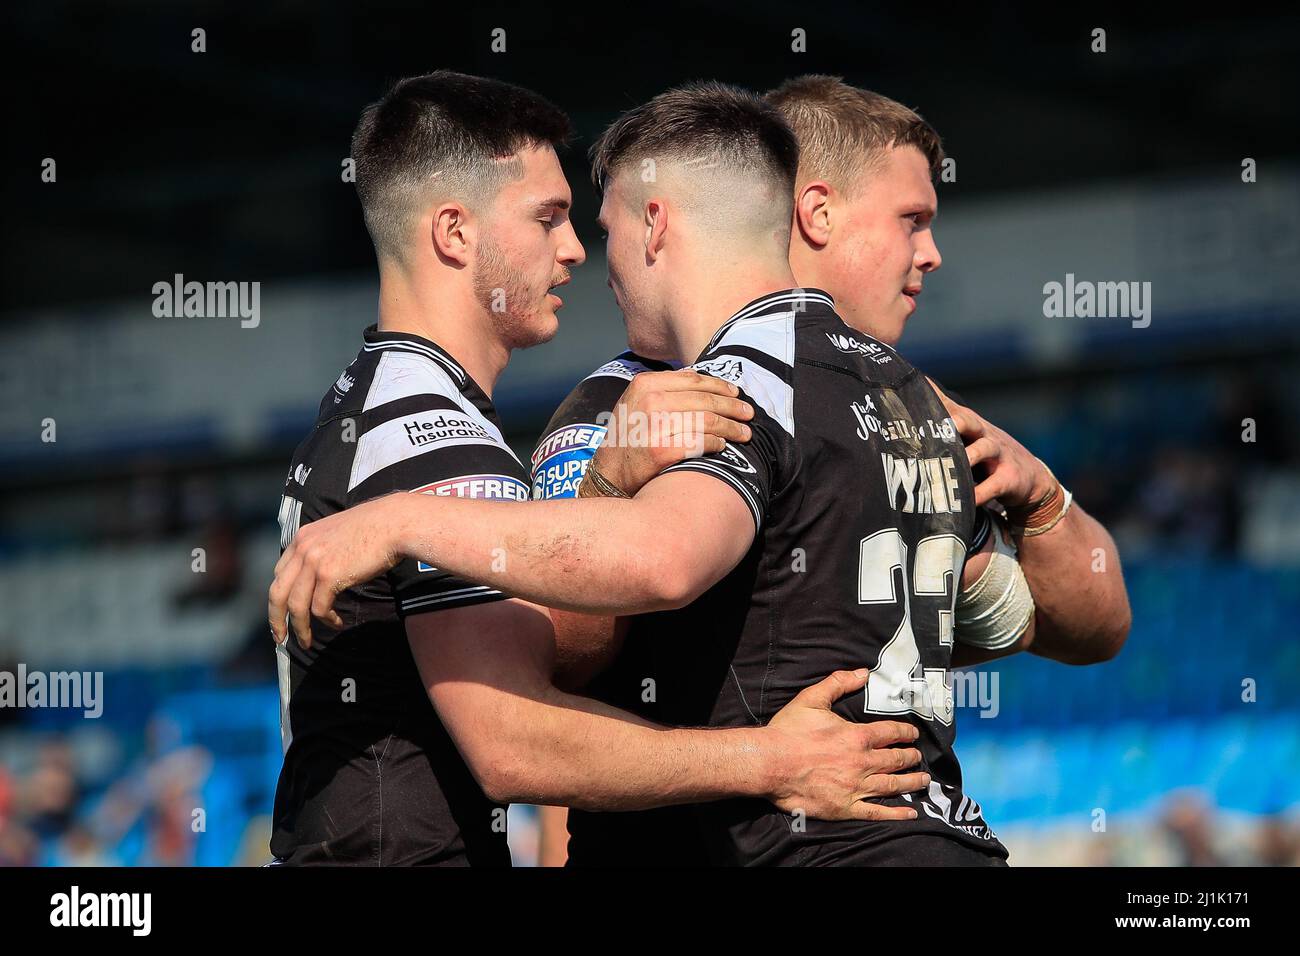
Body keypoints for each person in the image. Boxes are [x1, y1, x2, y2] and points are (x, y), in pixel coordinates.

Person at [270, 81, 1022, 865]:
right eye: (548, 218)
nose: (574, 251)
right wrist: (770, 759)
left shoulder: (359, 409)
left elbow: (574, 659)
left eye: (580, 221)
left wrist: (597, 490)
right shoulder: (434, 441)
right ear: (455, 233)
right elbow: (517, 743)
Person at [533, 77, 1132, 863]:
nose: (931, 254)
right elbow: (557, 664)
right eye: (911, 220)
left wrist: (1045, 498)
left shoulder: (904, 406)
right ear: (811, 212)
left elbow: (1076, 626)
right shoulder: (622, 404)